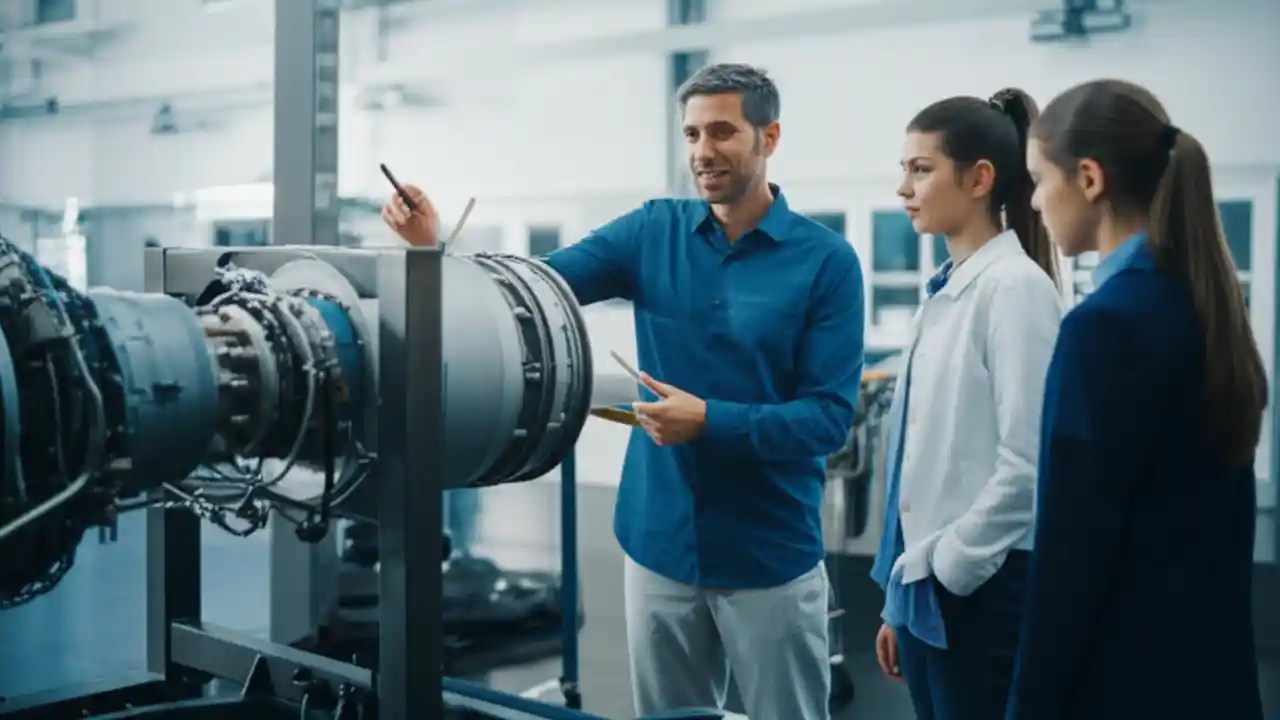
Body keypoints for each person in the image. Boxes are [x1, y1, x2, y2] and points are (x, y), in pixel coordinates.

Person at [382, 63, 865, 720]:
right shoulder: (651, 232)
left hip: (769, 555)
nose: (702, 151)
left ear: (769, 137)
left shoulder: (827, 263)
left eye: (722, 131)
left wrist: (710, 420)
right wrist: (430, 251)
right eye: (692, 133)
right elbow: (529, 292)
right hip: (658, 544)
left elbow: (829, 420)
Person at [1006, 79, 1267, 720]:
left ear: (1089, 179)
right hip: (1211, 677)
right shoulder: (1204, 306)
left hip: (1122, 684)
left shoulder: (1105, 327)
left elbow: (1070, 564)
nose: (1036, 201)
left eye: (1039, 179)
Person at [869, 88, 1064, 719]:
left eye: (920, 169)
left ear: (980, 178)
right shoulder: (947, 291)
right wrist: (900, 600)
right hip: (931, 586)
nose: (903, 188)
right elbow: (920, 468)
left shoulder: (1015, 290)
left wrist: (945, 570)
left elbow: (1030, 464)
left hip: (980, 586)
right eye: (905, 169)